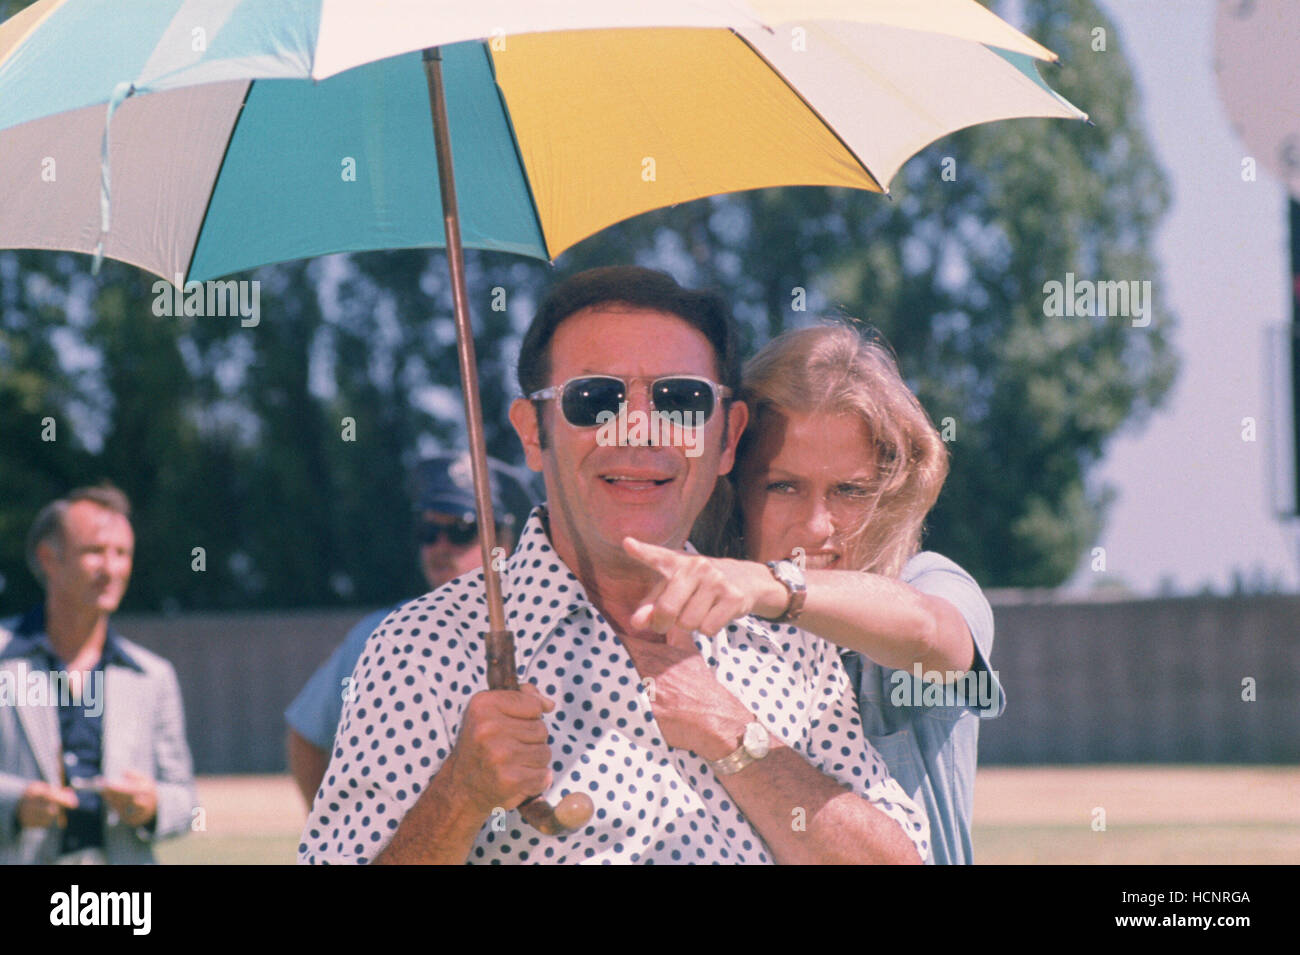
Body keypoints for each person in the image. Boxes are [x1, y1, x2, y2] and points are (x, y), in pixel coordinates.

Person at [298, 266, 930, 864]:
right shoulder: (424, 650)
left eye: (679, 399)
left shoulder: (787, 638)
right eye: (594, 398)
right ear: (531, 432)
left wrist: (737, 735)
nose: (636, 428)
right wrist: (457, 799)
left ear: (728, 437)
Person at [675, 322, 1005, 863]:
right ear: (731, 486)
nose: (815, 526)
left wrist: (774, 586)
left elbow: (928, 634)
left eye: (849, 491)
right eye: (783, 487)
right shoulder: (699, 619)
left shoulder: (928, 581)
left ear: (894, 489)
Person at [284, 453, 536, 805]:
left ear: (504, 543)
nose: (440, 547)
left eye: (461, 530)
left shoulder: (545, 632)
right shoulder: (380, 635)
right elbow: (308, 735)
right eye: (428, 531)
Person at [0, 484, 196, 864]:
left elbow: (186, 800)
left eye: (122, 553)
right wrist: (14, 804)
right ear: (48, 559)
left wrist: (152, 805)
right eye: (94, 551)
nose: (111, 568)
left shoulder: (153, 676)